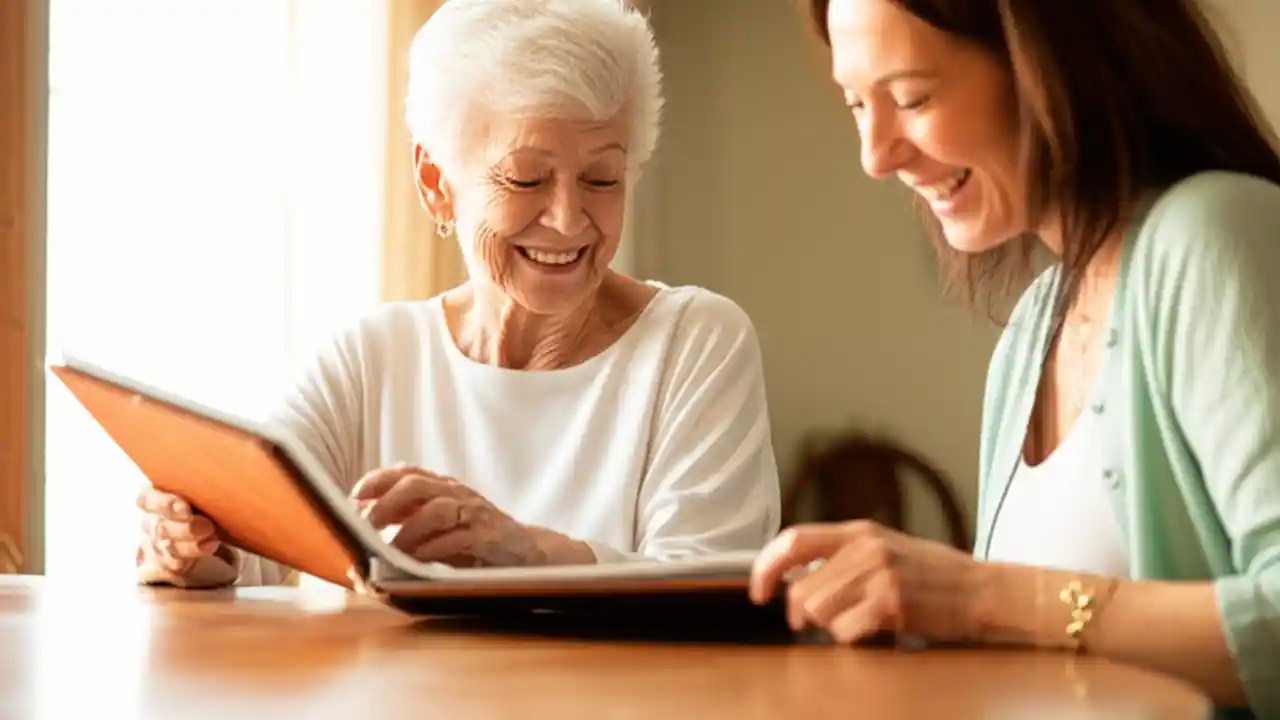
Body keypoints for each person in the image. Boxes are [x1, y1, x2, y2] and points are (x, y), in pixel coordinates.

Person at [134, 0, 780, 589]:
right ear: (436, 182)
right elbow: (259, 546)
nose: (567, 217)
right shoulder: (374, 356)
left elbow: (711, 590)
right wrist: (193, 546)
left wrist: (529, 554)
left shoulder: (694, 341)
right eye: (526, 178)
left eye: (602, 178)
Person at [749, 0, 1280, 715]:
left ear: (1052, 67)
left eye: (912, 96)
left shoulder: (1211, 235)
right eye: (856, 103)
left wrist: (976, 598)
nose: (876, 156)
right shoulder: (1029, 335)